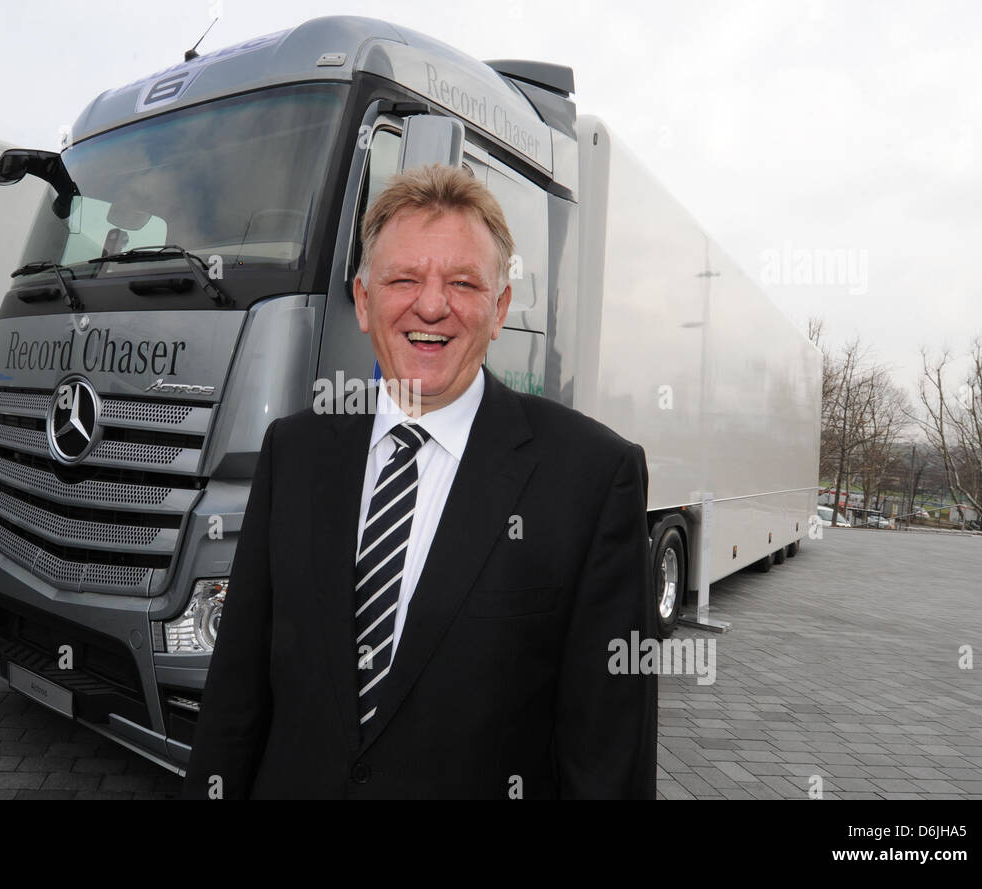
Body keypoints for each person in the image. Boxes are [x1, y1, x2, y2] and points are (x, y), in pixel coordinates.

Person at [183, 163, 656, 799]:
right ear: (363, 300)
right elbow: (236, 694)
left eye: (463, 282)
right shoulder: (293, 451)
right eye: (403, 278)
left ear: (499, 308)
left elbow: (608, 755)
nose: (431, 305)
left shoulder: (594, 479)